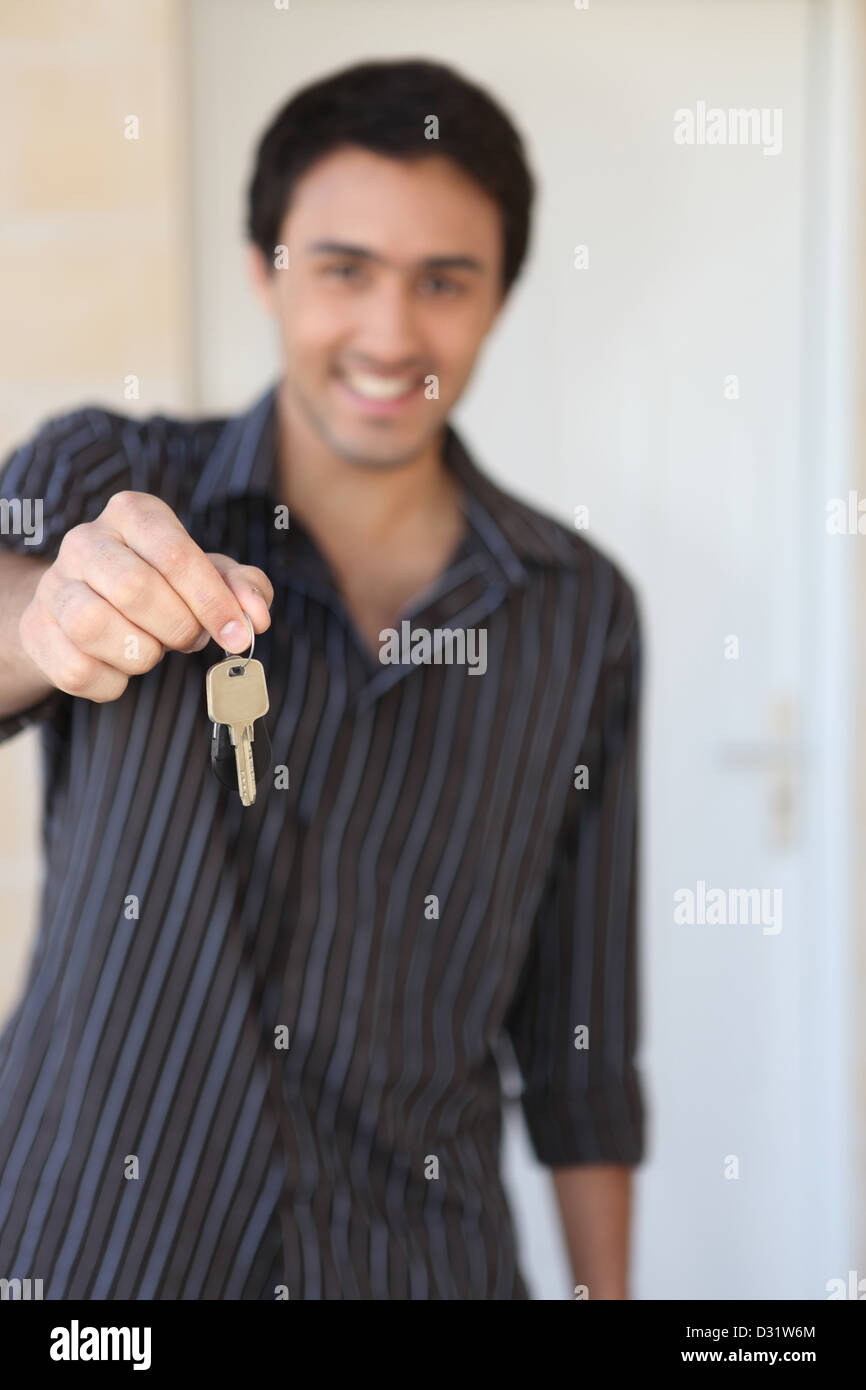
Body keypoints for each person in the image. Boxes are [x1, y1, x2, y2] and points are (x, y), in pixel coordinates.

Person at [0, 58, 645, 1300]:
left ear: (498, 299)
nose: (392, 333)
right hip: (94, 1253)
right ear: (266, 270)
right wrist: (50, 615)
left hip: (413, 1259)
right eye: (343, 268)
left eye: (443, 281)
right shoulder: (109, 472)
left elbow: (582, 1034)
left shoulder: (579, 610)